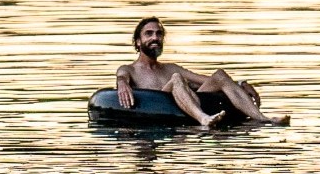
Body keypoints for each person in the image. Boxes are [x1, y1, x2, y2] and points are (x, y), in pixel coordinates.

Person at [114, 16, 288, 129]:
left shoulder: (171, 68)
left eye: (159, 34)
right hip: (158, 111)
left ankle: (263, 119)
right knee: (176, 79)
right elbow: (121, 76)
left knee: (219, 75)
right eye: (149, 34)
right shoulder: (129, 69)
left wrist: (241, 84)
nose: (155, 38)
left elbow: (205, 80)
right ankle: (204, 119)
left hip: (186, 104)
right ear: (138, 42)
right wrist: (122, 83)